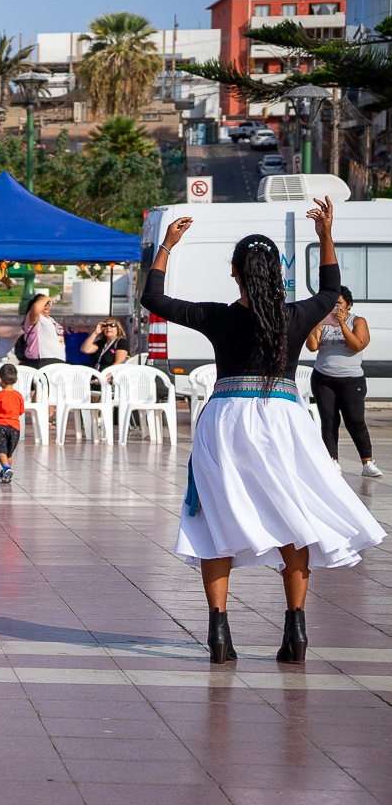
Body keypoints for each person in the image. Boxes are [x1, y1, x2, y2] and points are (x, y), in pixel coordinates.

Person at [142, 200, 385, 665]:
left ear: (234, 272)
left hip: (227, 416)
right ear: (278, 272)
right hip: (283, 416)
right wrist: (326, 234)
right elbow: (332, 288)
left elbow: (153, 300)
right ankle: (296, 633)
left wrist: (167, 246)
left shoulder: (219, 316)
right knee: (294, 519)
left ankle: (219, 633)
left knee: (212, 520)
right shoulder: (296, 316)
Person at [307, 286, 380, 476]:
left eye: (338, 303)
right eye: (332, 304)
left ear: (348, 304)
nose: (335, 308)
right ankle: (333, 460)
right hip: (324, 378)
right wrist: (316, 323)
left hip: (351, 379)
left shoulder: (357, 321)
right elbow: (312, 347)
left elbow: (357, 345)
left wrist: (342, 325)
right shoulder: (322, 322)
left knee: (355, 421)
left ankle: (367, 463)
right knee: (329, 420)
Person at [0, 363, 24, 484]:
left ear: (0, 380)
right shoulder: (18, 396)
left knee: (0, 450)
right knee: (9, 452)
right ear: (16, 380)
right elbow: (21, 411)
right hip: (15, 428)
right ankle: (6, 473)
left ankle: (6, 468)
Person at [21, 294, 66, 367]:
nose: (46, 305)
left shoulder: (50, 319)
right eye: (43, 303)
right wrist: (47, 297)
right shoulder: (35, 318)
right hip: (41, 359)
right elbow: (36, 308)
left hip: (57, 358)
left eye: (48, 303)